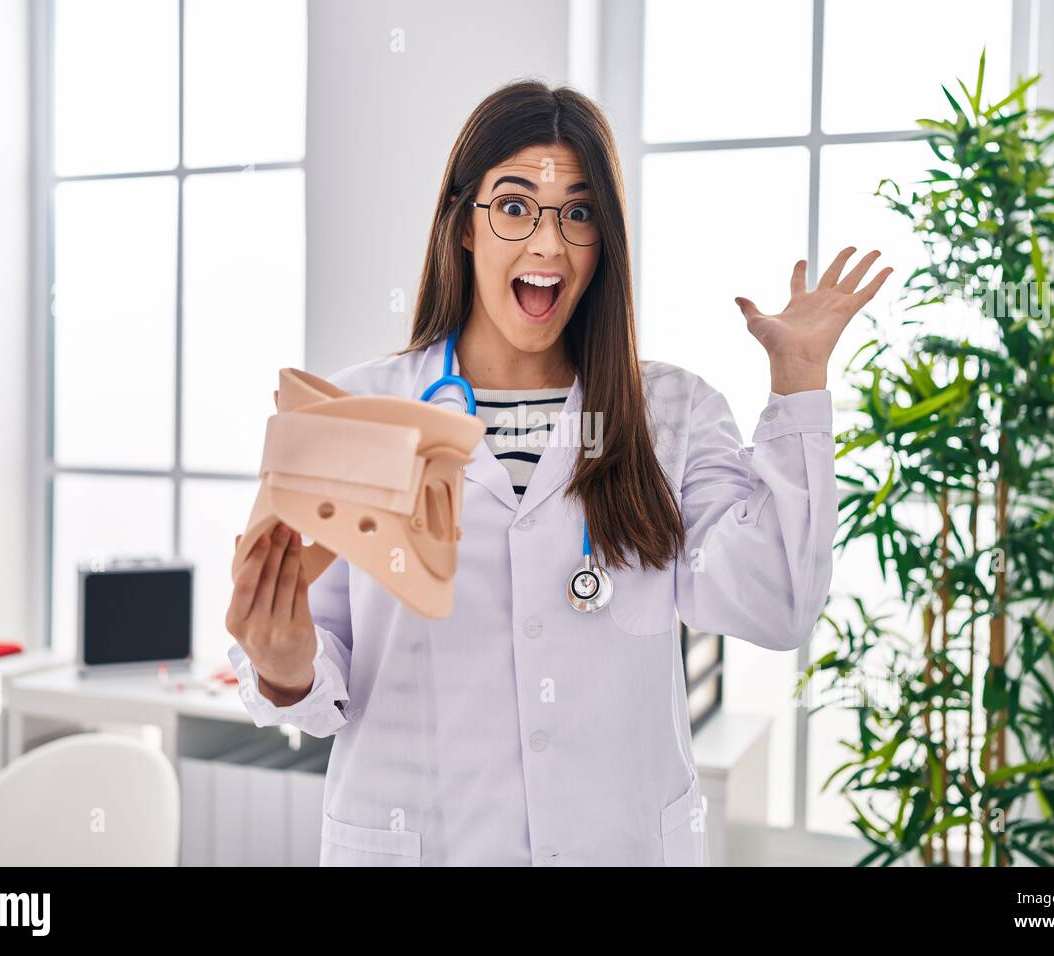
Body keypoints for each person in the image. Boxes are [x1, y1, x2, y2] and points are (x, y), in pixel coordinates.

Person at [225, 79, 892, 866]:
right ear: (462, 226)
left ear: (603, 238)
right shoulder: (359, 409)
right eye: (514, 206)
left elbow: (776, 603)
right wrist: (281, 666)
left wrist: (800, 383)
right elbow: (315, 662)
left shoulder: (668, 413)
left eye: (578, 213)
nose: (547, 245)